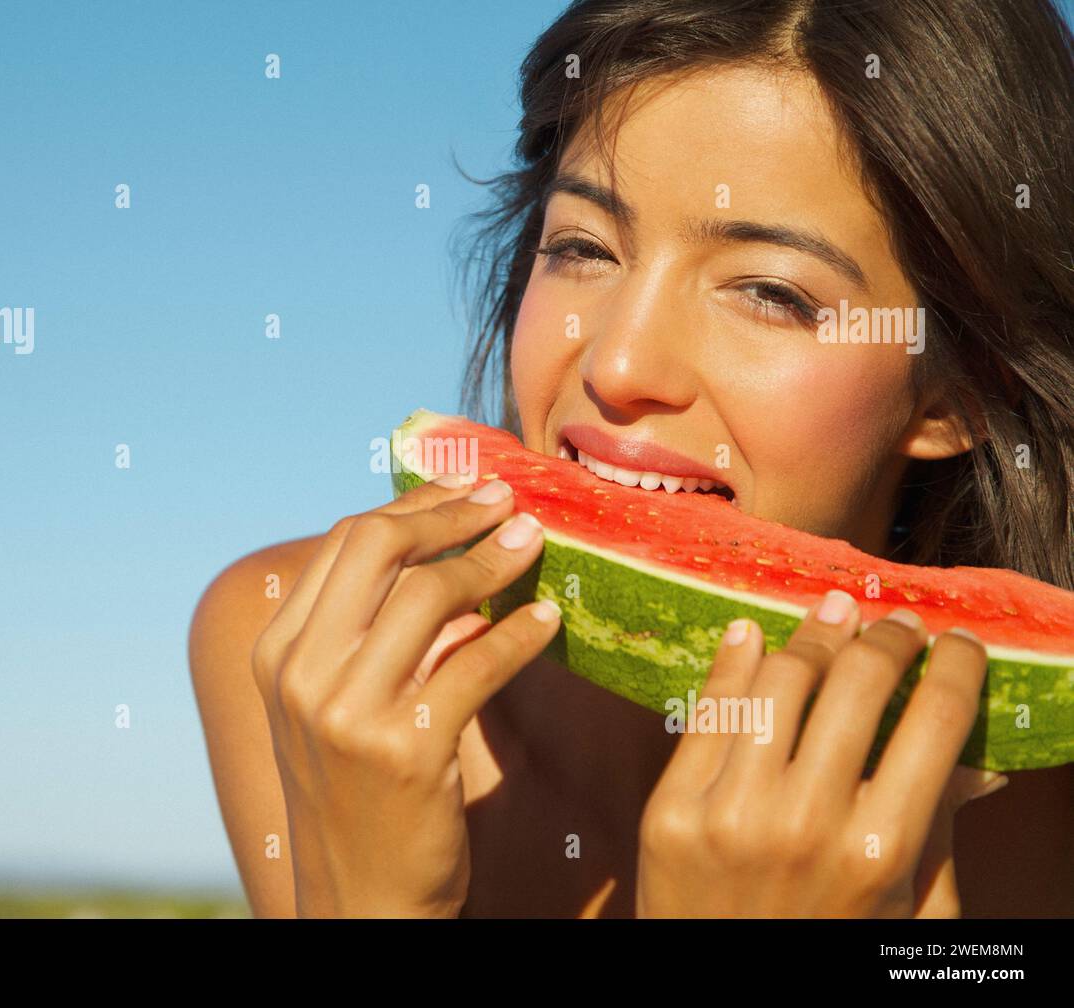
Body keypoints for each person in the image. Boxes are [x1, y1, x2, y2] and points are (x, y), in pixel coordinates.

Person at [190, 0, 1074, 917]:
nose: (617, 364)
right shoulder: (302, 661)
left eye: (769, 293)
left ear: (962, 394)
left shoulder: (1039, 802)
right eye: (582, 246)